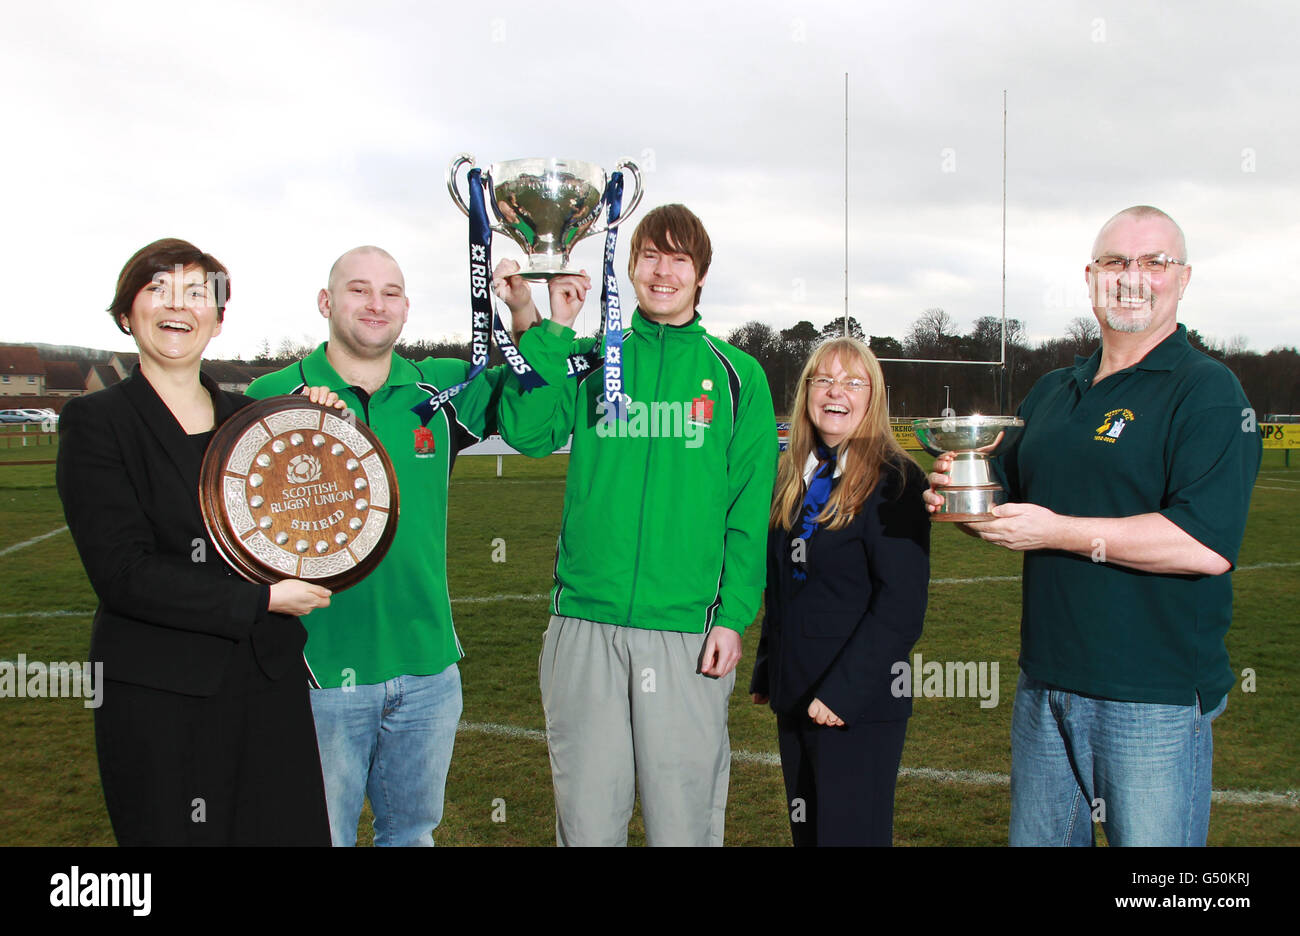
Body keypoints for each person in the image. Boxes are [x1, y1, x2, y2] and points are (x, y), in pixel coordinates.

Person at [925, 206, 1262, 846]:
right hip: (1046, 685)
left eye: (1154, 262)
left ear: (1182, 278)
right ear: (1090, 277)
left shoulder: (1207, 391)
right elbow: (1012, 511)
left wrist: (1056, 532)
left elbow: (1203, 544)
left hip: (1150, 697)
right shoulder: (1055, 390)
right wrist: (959, 497)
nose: (1132, 277)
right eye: (1115, 262)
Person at [493, 203, 777, 846]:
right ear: (628, 265)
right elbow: (529, 433)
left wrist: (732, 617)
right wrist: (543, 325)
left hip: (686, 631)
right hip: (585, 624)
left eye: (680, 258)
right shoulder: (593, 356)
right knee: (588, 826)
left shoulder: (739, 376)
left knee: (683, 828)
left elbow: (746, 508)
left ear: (700, 274)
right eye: (650, 255)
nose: (663, 271)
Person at [246, 245, 533, 846]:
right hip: (316, 669)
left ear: (406, 308)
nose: (376, 303)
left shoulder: (441, 389)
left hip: (428, 665)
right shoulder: (269, 396)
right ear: (326, 302)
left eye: (391, 292)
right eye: (358, 289)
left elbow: (533, 395)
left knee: (411, 834)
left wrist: (524, 308)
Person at [56, 238, 333, 845]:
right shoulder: (97, 423)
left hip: (268, 684)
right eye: (157, 289)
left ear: (218, 315)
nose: (177, 304)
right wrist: (259, 601)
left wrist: (326, 425)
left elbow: (310, 518)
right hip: (162, 697)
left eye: (195, 291)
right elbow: (124, 572)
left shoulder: (256, 418)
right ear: (127, 314)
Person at [749, 337, 929, 846]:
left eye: (853, 382)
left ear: (874, 397)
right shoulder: (796, 476)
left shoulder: (897, 481)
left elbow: (901, 605)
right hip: (796, 695)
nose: (836, 392)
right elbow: (786, 587)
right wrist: (769, 667)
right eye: (823, 379)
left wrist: (842, 693)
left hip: (858, 706)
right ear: (807, 392)